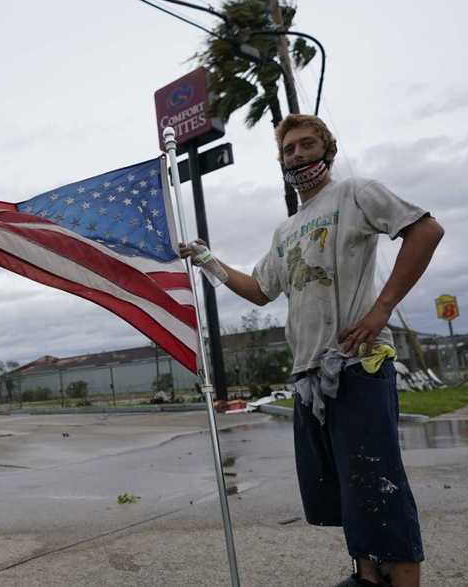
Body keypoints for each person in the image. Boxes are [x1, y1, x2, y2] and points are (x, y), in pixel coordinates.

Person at [179, 114, 444, 587]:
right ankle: (366, 577)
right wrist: (207, 261)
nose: (297, 155)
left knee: (379, 488)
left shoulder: (356, 193)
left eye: (306, 145)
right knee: (346, 494)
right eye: (288, 150)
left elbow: (425, 231)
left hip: (359, 366)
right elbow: (260, 289)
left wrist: (382, 309)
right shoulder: (287, 232)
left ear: (329, 151)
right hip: (309, 379)